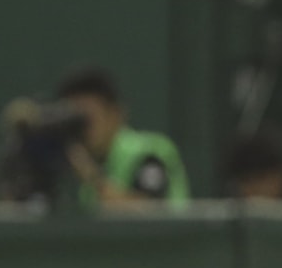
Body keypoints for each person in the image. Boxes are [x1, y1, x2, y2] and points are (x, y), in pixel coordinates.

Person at [58, 69, 190, 210]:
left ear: (116, 115)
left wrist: (92, 177)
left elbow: (147, 213)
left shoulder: (148, 153)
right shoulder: (90, 167)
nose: (81, 129)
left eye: (88, 119)